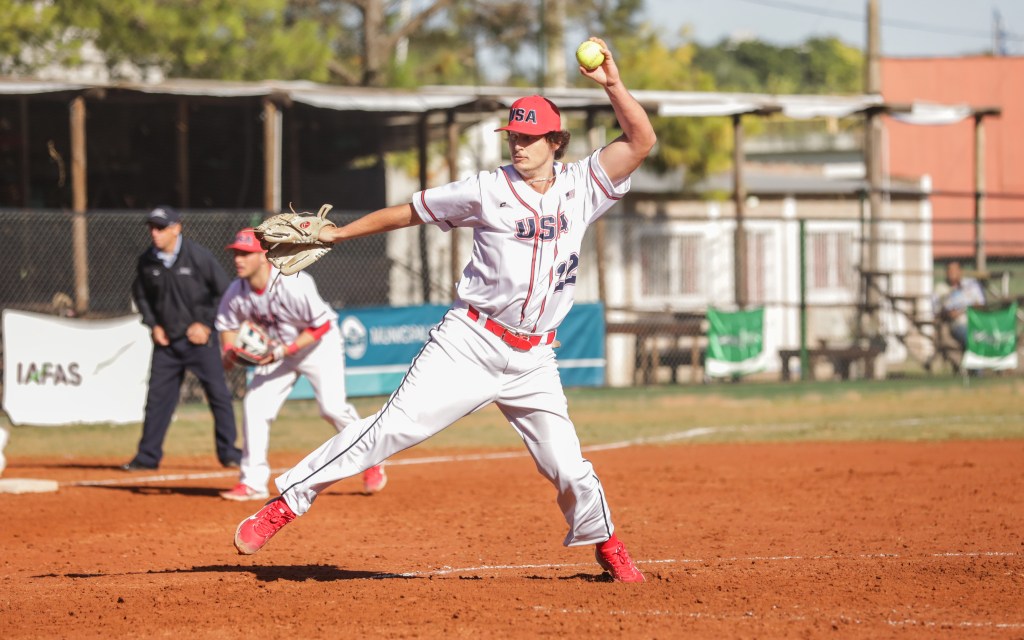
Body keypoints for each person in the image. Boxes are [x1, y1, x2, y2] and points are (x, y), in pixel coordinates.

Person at [234, 37, 656, 583]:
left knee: (569, 466)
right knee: (391, 429)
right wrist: (340, 234)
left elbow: (641, 140)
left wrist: (613, 86)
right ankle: (287, 503)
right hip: (471, 342)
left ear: (556, 141)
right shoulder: (485, 190)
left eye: (530, 138)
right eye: (513, 136)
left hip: (533, 360)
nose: (519, 146)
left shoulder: (584, 184)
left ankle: (608, 545)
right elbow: (408, 212)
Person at [215, 228, 385, 501]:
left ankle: (373, 457)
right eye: (236, 253)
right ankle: (252, 482)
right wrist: (229, 352)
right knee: (255, 405)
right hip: (278, 351)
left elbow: (321, 324)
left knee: (332, 409)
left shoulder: (293, 281)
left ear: (264, 257)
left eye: (246, 253)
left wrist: (285, 350)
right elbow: (227, 325)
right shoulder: (236, 292)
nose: (238, 259)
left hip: (318, 345)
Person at [123, 206, 243, 471]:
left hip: (201, 342)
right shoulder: (147, 261)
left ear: (177, 228)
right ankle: (147, 457)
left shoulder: (198, 257)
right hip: (167, 344)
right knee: (157, 400)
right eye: (152, 227)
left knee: (219, 396)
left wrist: (206, 324)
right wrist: (153, 325)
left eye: (161, 227)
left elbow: (226, 294)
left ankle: (229, 454)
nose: (155, 233)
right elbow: (141, 296)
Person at [933, 261, 986, 349]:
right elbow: (936, 312)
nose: (951, 273)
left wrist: (968, 309)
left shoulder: (971, 285)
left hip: (977, 321)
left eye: (954, 270)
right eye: (949, 270)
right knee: (972, 340)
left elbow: (982, 305)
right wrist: (948, 314)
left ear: (960, 271)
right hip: (958, 324)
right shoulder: (940, 289)